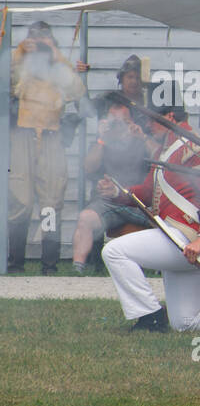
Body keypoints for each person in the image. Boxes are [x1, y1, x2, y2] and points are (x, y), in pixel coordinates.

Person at [98, 114, 200, 332]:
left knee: (113, 251)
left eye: (152, 119)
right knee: (185, 324)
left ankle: (150, 316)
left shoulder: (195, 148)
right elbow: (148, 192)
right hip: (176, 240)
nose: (147, 125)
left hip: (190, 240)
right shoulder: (165, 150)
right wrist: (116, 192)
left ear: (169, 116)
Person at [8, 21, 87, 273]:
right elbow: (6, 82)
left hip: (52, 136)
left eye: (45, 39)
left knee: (51, 202)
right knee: (20, 200)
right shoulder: (19, 59)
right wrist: (21, 53)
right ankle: (15, 262)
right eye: (36, 39)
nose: (40, 44)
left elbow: (77, 91)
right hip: (22, 134)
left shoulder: (58, 65)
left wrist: (58, 57)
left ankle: (49, 265)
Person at [71, 94, 154, 273]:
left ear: (131, 120)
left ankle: (158, 267)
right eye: (114, 121)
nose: (119, 125)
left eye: (123, 120)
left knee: (161, 223)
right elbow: (88, 168)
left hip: (138, 202)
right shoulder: (103, 141)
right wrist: (102, 139)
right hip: (109, 202)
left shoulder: (142, 139)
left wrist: (143, 138)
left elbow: (160, 158)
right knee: (85, 218)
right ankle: (77, 269)